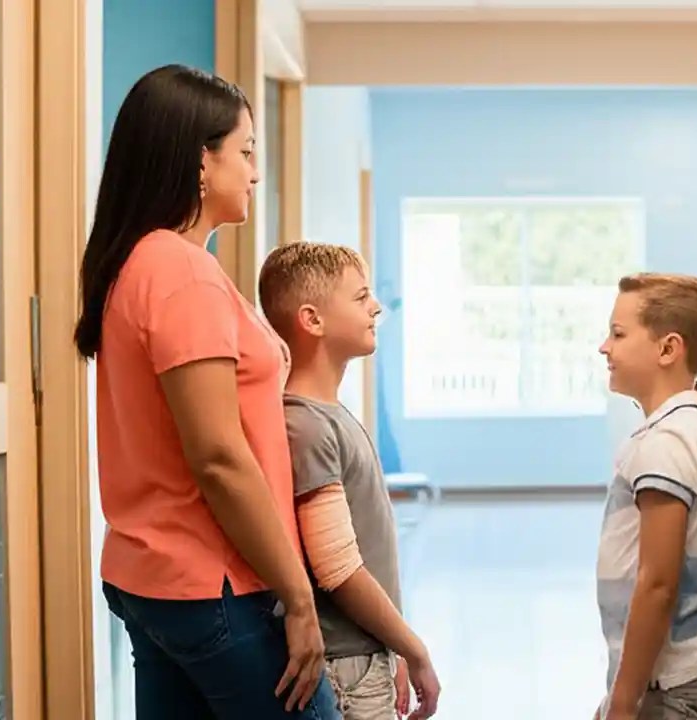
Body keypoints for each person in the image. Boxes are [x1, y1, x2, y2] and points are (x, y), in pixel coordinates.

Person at [74, 65, 336, 718]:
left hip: (151, 580)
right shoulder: (182, 272)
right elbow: (218, 456)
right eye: (245, 151)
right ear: (200, 160)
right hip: (216, 583)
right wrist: (298, 598)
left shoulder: (135, 263)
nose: (255, 171)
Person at [259, 243, 442, 720]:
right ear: (312, 320)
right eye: (361, 298)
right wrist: (414, 647)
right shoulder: (307, 426)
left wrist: (392, 646)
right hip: (345, 669)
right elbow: (337, 569)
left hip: (364, 654)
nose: (376, 307)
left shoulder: (327, 416)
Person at [595, 273, 697, 720]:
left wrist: (622, 701)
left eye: (618, 334)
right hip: (665, 675)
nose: (604, 347)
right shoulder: (672, 431)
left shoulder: (667, 444)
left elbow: (658, 585)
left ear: (668, 349)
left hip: (672, 678)